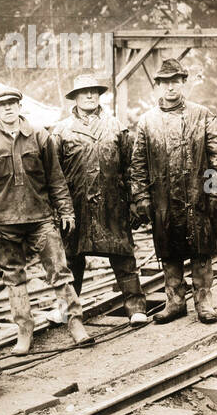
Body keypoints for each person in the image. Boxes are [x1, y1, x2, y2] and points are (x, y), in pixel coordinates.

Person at [0, 89, 89, 353]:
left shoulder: (39, 136)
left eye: (12, 104)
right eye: (2, 106)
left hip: (40, 218)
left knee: (60, 271)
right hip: (3, 223)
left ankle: (75, 323)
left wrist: (66, 211)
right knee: (14, 279)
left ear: (20, 106)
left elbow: (56, 178)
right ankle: (24, 331)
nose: (8, 109)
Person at [131, 58, 217, 324]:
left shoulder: (202, 115)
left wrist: (215, 193)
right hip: (163, 200)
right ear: (158, 86)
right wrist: (141, 197)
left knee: (201, 252)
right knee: (169, 253)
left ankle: (204, 302)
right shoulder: (147, 122)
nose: (170, 87)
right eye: (165, 82)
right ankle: (175, 302)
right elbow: (138, 165)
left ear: (183, 83)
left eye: (175, 81)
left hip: (199, 198)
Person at [49, 76, 148, 326]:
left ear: (99, 95)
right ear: (75, 97)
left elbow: (131, 167)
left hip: (113, 205)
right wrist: (58, 209)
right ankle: (66, 310)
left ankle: (136, 308)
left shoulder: (116, 127)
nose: (90, 96)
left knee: (124, 257)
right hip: (75, 207)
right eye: (84, 92)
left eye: (94, 91)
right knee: (71, 260)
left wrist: (135, 201)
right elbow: (53, 174)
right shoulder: (61, 131)